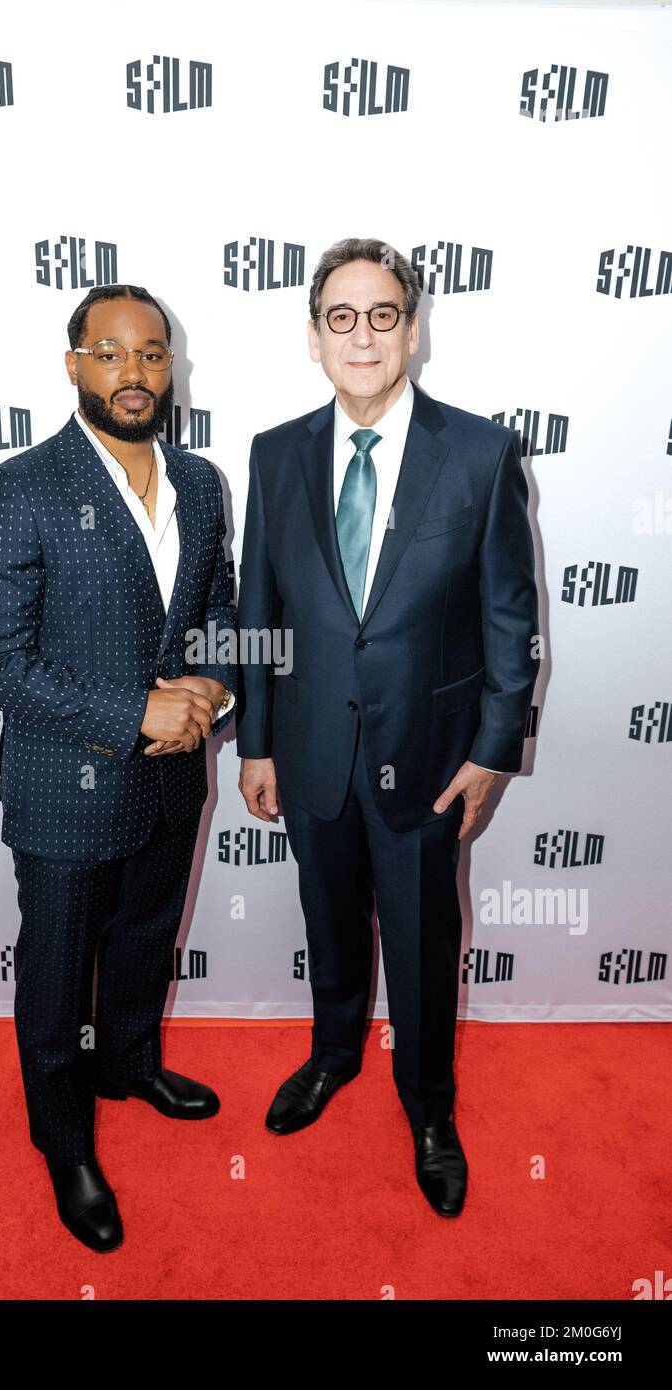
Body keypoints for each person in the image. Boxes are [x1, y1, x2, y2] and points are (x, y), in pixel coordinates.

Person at [236, 237, 539, 1217]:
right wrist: (255, 740)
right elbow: (260, 611)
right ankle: (330, 1055)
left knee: (418, 941)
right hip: (311, 753)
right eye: (339, 317)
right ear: (313, 338)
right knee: (327, 925)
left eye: (379, 316)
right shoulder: (274, 453)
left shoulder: (481, 453)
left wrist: (494, 750)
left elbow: (508, 614)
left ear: (411, 330)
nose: (360, 336)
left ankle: (428, 1107)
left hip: (431, 756)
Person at [0, 284, 238, 1252]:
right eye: (110, 353)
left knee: (145, 938)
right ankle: (64, 1139)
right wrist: (136, 712)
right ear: (72, 364)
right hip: (61, 786)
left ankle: (128, 1064)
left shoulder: (201, 484)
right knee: (57, 966)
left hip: (171, 776)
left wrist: (206, 691)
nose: (134, 372)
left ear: (172, 368)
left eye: (152, 353)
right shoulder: (18, 487)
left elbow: (223, 608)